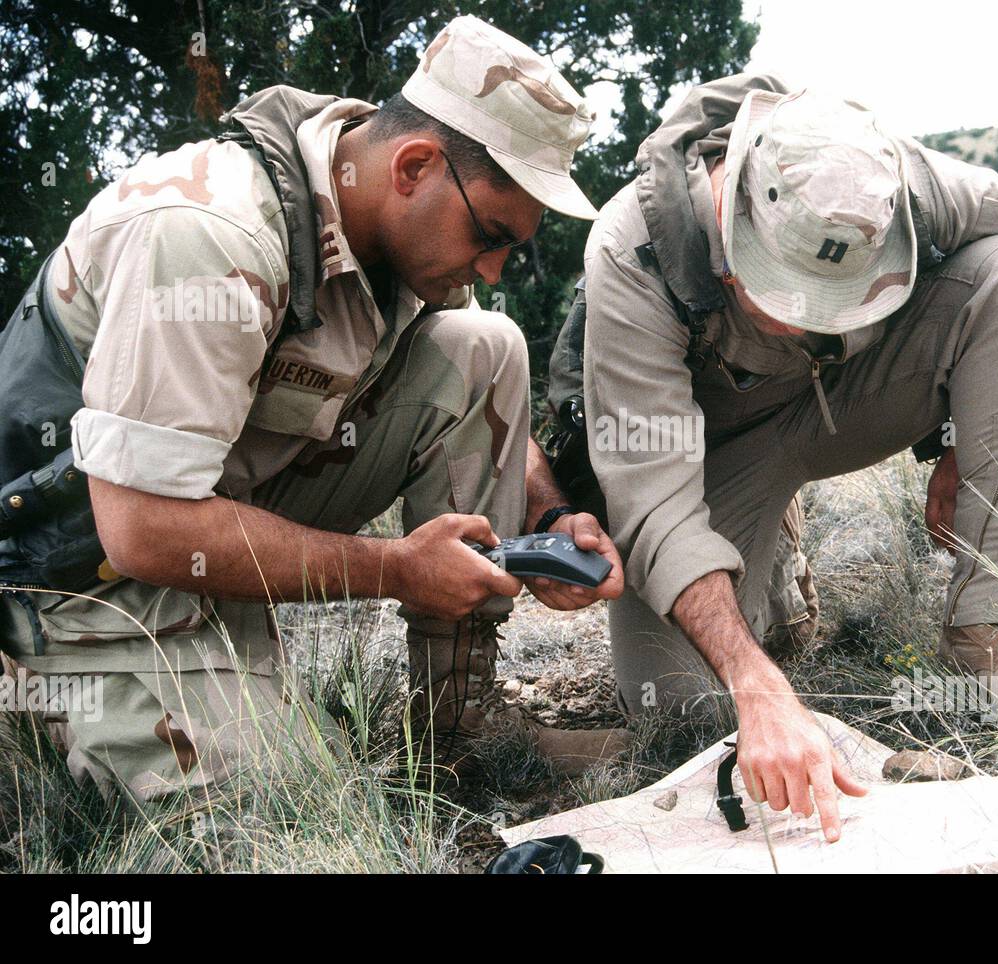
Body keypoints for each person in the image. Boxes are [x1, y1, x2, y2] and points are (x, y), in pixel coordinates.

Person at [0, 15, 627, 803]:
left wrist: (545, 520)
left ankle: (457, 729)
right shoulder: (211, 235)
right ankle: (36, 682)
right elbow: (141, 527)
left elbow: (466, 392)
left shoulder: (403, 230)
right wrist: (394, 571)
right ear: (415, 167)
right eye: (492, 235)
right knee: (295, 813)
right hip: (78, 565)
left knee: (486, 343)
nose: (496, 268)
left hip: (219, 508)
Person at [569, 76, 998, 842]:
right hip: (710, 456)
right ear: (733, 225)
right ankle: (770, 588)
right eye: (783, 292)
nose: (805, 322)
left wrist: (968, 439)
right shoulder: (633, 251)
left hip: (855, 398)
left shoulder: (912, 190)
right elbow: (654, 500)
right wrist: (754, 684)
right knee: (687, 709)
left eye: (836, 295)